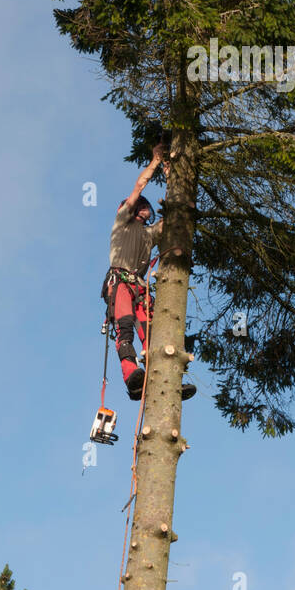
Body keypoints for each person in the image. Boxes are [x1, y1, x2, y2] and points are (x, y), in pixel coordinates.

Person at [102, 144, 196, 402]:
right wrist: (155, 162)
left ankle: (169, 378)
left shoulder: (147, 233)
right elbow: (138, 187)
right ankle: (132, 375)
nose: (147, 211)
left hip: (139, 288)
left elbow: (172, 218)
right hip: (120, 281)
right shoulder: (122, 221)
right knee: (125, 328)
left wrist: (171, 176)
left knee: (155, 333)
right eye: (142, 207)